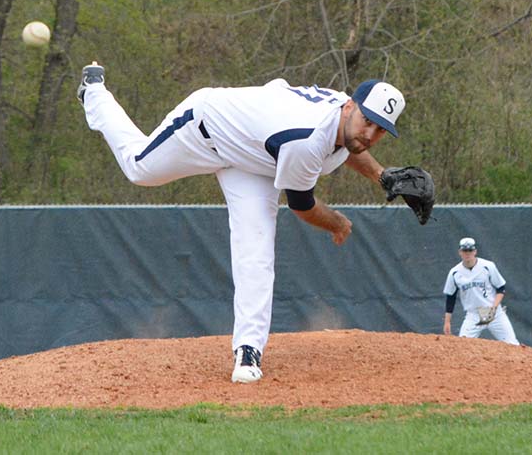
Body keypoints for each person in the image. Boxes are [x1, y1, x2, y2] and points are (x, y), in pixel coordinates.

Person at [77, 62, 412, 384]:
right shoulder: (305, 138)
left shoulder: (342, 116)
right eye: (368, 120)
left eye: (380, 128)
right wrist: (337, 224)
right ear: (350, 106)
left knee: (257, 250)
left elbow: (349, 144)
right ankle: (94, 92)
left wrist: (383, 176)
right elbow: (302, 205)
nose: (370, 133)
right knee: (139, 168)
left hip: (255, 160)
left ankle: (248, 350)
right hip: (206, 128)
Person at [443, 237, 519, 345]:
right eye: (465, 250)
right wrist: (447, 322)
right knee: (462, 346)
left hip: (494, 314)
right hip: (473, 315)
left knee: (512, 345)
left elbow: (501, 288)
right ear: (460, 252)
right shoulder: (454, 272)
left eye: (470, 250)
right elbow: (450, 297)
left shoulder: (488, 266)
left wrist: (494, 308)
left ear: (475, 251)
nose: (467, 253)